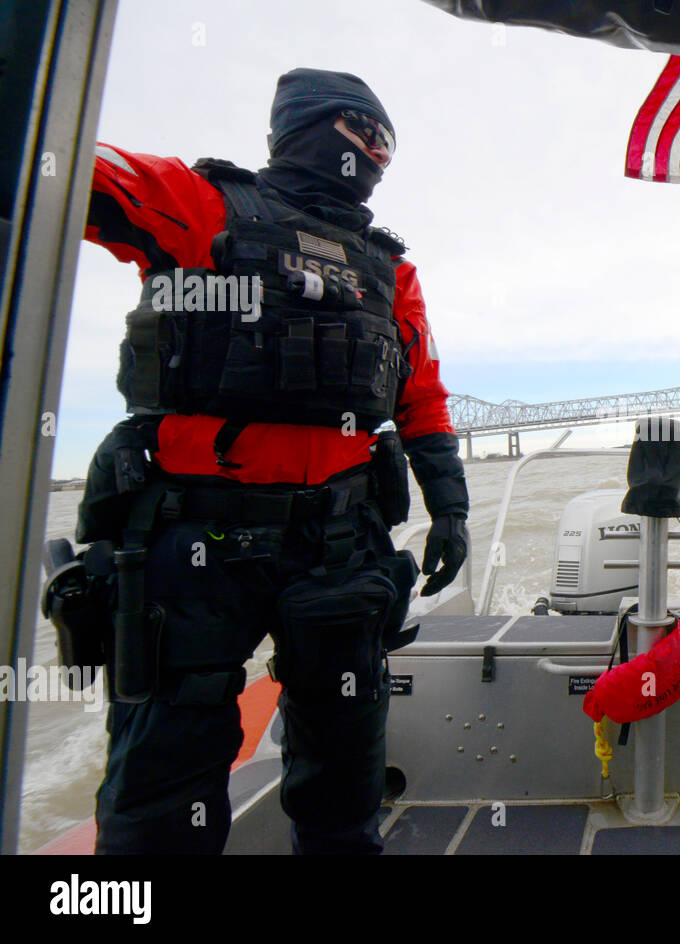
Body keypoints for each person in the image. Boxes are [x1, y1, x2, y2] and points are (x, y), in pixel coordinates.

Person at [74, 68, 469, 854]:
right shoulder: (199, 202)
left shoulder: (391, 270)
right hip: (194, 543)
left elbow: (421, 399)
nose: (377, 152)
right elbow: (57, 159)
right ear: (309, 125)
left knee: (346, 764)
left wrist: (450, 508)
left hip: (337, 544)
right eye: (364, 130)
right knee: (163, 780)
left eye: (388, 140)